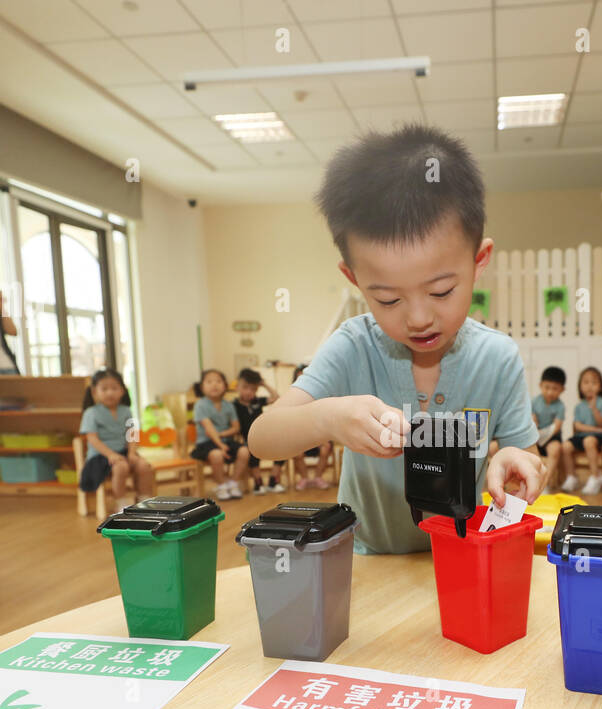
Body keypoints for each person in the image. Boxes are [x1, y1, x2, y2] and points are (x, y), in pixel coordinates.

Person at [246, 125, 544, 553]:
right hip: (364, 562)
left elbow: (530, 460)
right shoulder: (353, 346)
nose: (420, 318)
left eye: (441, 291)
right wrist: (327, 418)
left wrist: (518, 463)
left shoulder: (496, 357)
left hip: (461, 559)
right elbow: (262, 437)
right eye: (387, 299)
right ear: (354, 280)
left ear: (479, 262)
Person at [78, 369, 154, 511]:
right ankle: (121, 503)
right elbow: (93, 439)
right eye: (104, 389)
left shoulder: (126, 410)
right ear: (95, 392)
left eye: (114, 388)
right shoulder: (91, 413)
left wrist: (132, 453)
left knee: (143, 465)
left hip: (124, 452)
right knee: (121, 467)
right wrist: (111, 455)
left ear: (122, 391)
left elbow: (132, 435)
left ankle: (144, 499)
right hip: (100, 456)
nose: (110, 393)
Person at [190, 368, 247, 501]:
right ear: (202, 387)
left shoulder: (228, 405)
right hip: (205, 443)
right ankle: (221, 485)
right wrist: (221, 445)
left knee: (244, 451)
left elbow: (236, 427)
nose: (214, 385)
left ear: (225, 385)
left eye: (218, 381)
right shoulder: (200, 405)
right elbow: (209, 430)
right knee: (217, 454)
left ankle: (232, 483)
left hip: (225, 440)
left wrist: (221, 435)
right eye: (209, 382)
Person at [234, 368, 286, 495]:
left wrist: (264, 384)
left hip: (264, 435)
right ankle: (258, 482)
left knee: (283, 445)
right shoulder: (234, 405)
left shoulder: (257, 401)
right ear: (237, 387)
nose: (248, 392)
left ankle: (273, 479)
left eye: (253, 389)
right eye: (245, 387)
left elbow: (275, 397)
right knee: (251, 449)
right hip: (247, 439)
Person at [561, 367, 602, 495]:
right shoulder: (579, 406)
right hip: (584, 435)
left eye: (594, 383)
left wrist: (594, 409)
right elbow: (578, 426)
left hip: (600, 438)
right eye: (586, 382)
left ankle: (596, 476)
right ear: (580, 386)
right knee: (566, 446)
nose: (590, 386)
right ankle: (571, 476)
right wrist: (597, 429)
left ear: (600, 387)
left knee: (589, 441)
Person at [290, 364, 334, 490]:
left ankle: (318, 477)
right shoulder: (292, 400)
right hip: (300, 437)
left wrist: (321, 437)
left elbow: (325, 421)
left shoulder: (321, 396)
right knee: (296, 451)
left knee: (326, 446)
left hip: (319, 436)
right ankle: (304, 478)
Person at [532, 366, 567, 493]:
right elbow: (532, 421)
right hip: (535, 435)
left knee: (555, 448)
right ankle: (532, 480)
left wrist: (542, 436)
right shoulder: (534, 402)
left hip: (552, 437)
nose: (550, 392)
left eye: (555, 389)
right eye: (547, 387)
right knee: (529, 448)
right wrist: (536, 435)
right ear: (541, 385)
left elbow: (556, 427)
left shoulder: (560, 406)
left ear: (562, 390)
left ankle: (545, 483)